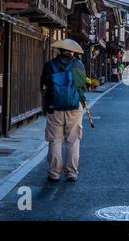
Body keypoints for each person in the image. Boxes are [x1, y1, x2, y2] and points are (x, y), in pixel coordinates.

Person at [41, 39, 87, 183]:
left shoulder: (50, 65)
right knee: (73, 141)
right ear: (72, 51)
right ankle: (71, 173)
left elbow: (44, 83)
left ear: (59, 50)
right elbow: (81, 85)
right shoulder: (78, 65)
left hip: (55, 108)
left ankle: (54, 173)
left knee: (55, 141)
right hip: (74, 107)